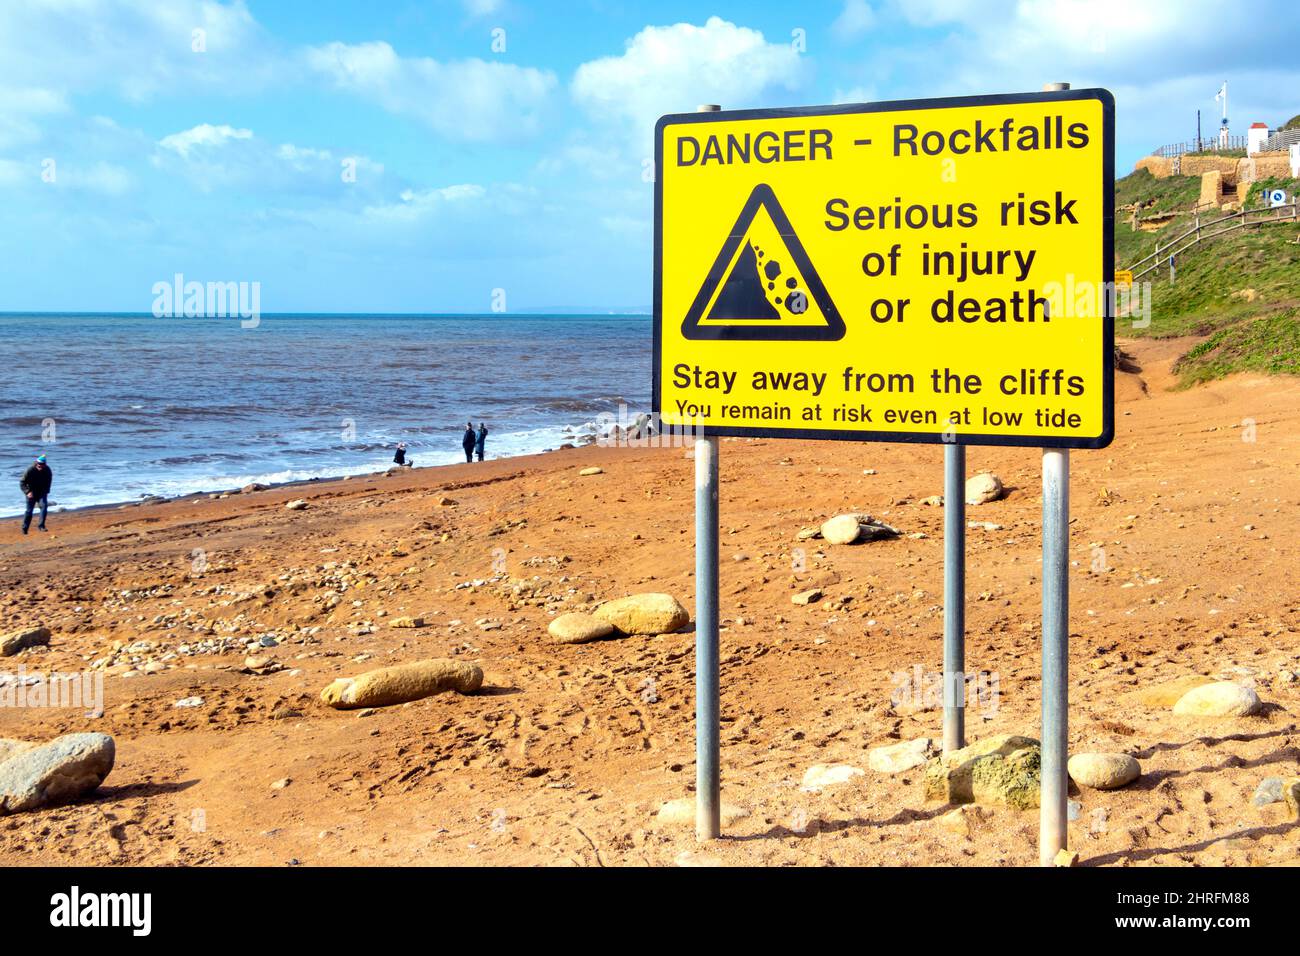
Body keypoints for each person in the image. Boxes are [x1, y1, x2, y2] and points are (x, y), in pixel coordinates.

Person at [20, 455, 52, 535]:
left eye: (42, 464)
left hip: (42, 492)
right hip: (31, 492)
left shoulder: (47, 470)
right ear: (36, 463)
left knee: (44, 506)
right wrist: (27, 492)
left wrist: (46, 491)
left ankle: (41, 526)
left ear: (45, 464)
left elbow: (49, 481)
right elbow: (22, 483)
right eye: (39, 464)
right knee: (29, 511)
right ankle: (25, 528)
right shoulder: (30, 470)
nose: (40, 466)